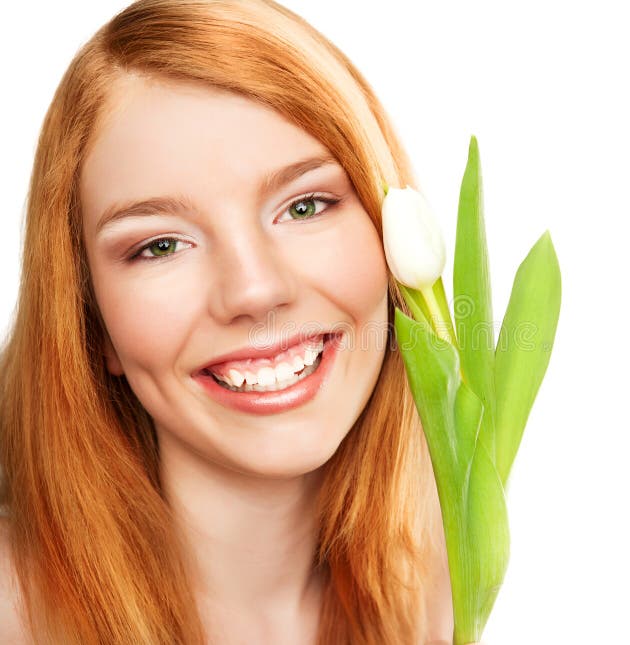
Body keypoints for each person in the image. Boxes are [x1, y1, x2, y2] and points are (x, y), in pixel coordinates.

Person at [0, 0, 480, 642]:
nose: (254, 291)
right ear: (90, 321)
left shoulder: (447, 599)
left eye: (305, 205)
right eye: (160, 245)